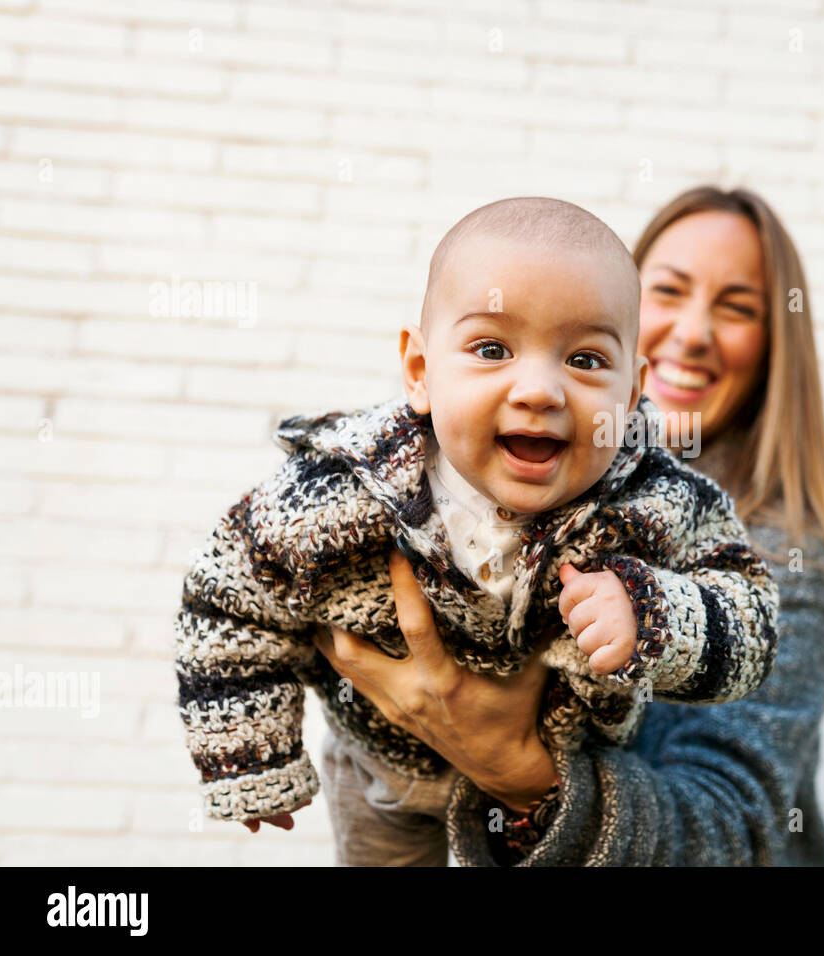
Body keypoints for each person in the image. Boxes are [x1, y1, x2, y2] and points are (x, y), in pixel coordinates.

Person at [172, 197, 781, 865]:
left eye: (584, 360)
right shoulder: (343, 490)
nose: (540, 389)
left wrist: (654, 613)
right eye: (492, 349)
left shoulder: (655, 499)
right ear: (420, 372)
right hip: (387, 781)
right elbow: (230, 588)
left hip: (557, 793)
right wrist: (248, 747)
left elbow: (750, 615)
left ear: (634, 392)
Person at [313, 186, 824, 865]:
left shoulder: (779, 559)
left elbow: (734, 833)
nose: (692, 332)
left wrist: (518, 775)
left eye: (737, 307)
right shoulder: (485, 496)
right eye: (669, 290)